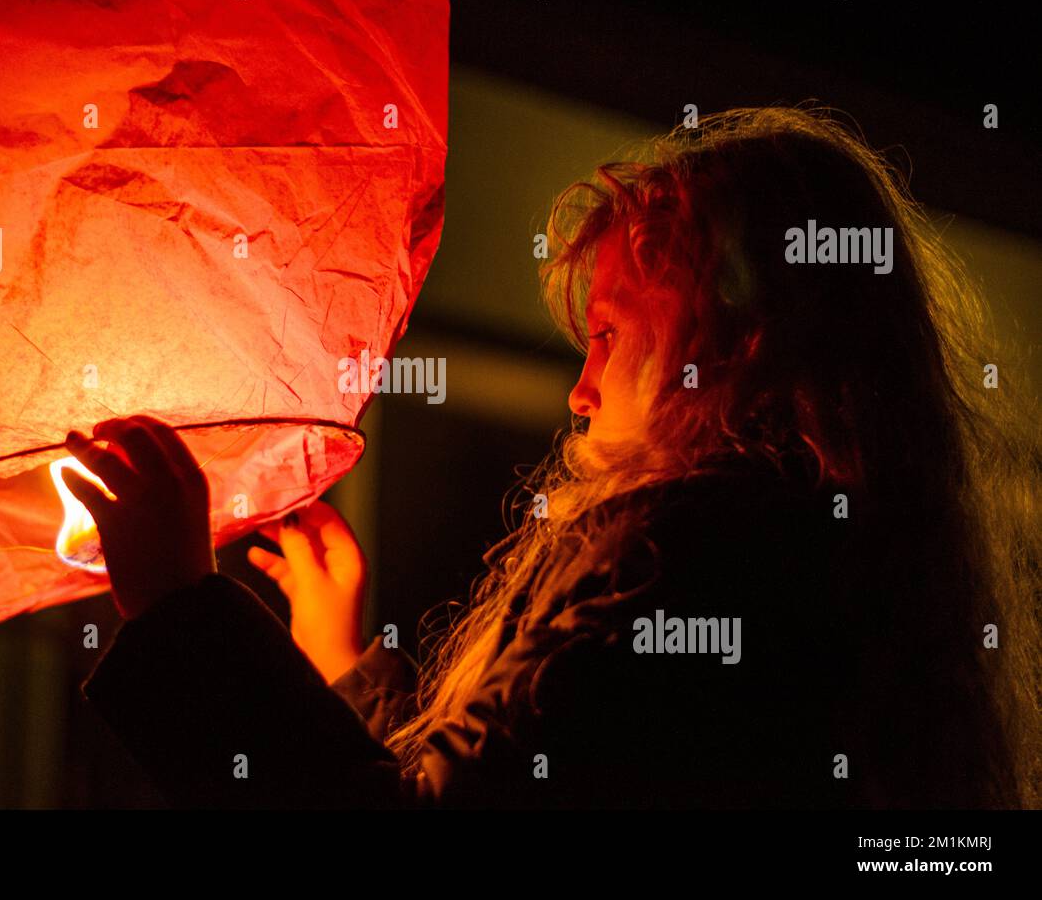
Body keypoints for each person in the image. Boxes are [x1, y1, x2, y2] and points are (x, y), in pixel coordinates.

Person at [63, 106, 1040, 809]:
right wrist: (345, 663)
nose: (579, 393)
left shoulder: (701, 566)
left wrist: (180, 609)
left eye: (610, 333)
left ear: (737, 339)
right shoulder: (808, 571)